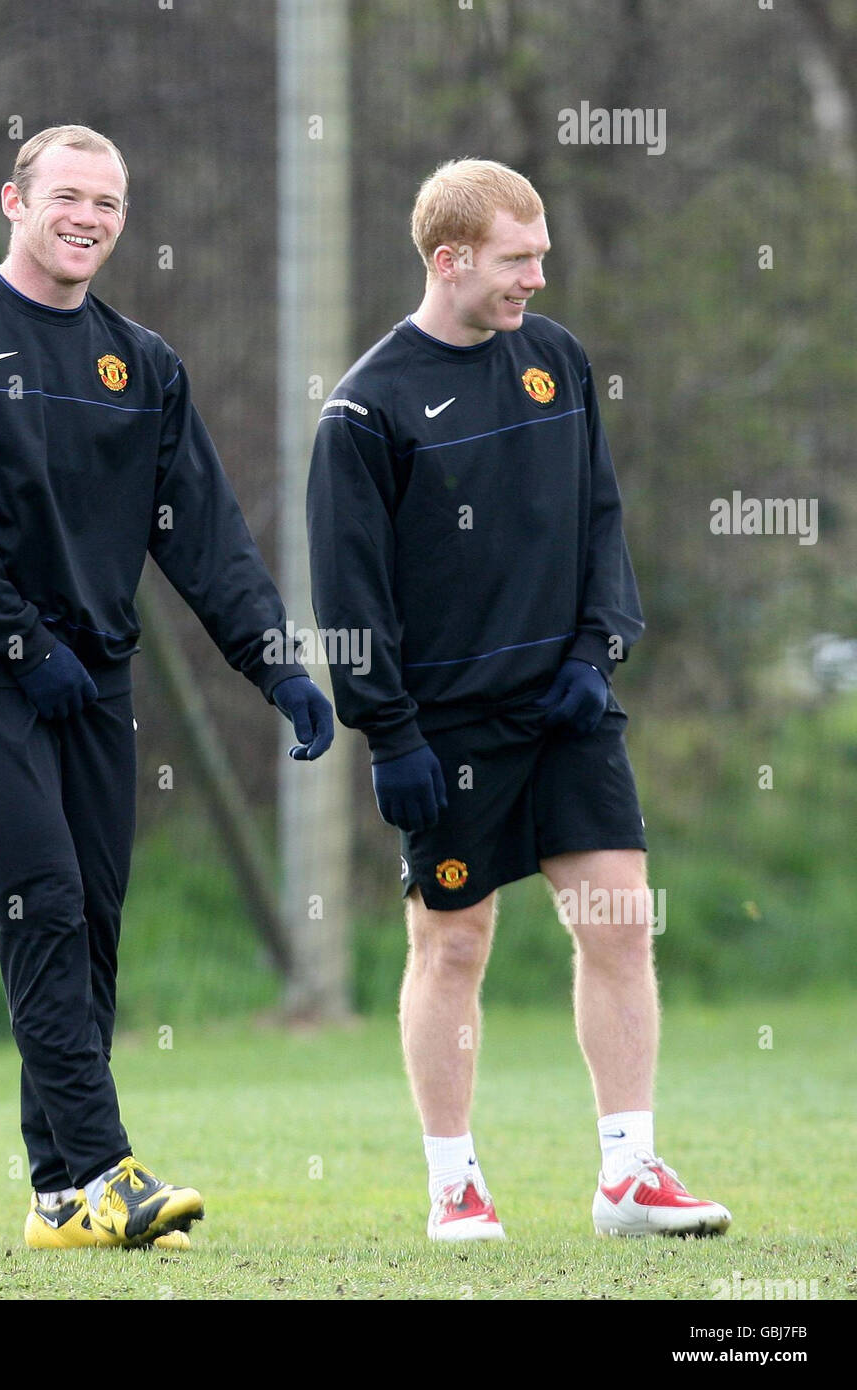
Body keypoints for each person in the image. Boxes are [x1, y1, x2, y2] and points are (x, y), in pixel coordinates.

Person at [0, 124, 333, 1251]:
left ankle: (57, 1196)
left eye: (110, 203)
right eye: (67, 195)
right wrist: (27, 646)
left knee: (92, 928)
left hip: (91, 680)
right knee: (42, 902)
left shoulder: (145, 366)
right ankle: (110, 1170)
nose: (89, 218)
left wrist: (278, 664)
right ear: (16, 200)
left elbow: (206, 535)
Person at [306, 158, 730, 1241]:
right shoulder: (365, 409)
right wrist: (386, 731)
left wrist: (599, 651)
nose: (538, 276)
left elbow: (599, 514)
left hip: (569, 712)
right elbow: (349, 597)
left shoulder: (557, 361)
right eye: (518, 258)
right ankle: (455, 1182)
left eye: (541, 253)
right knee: (454, 944)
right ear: (450, 261)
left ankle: (629, 1176)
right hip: (444, 731)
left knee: (621, 924)